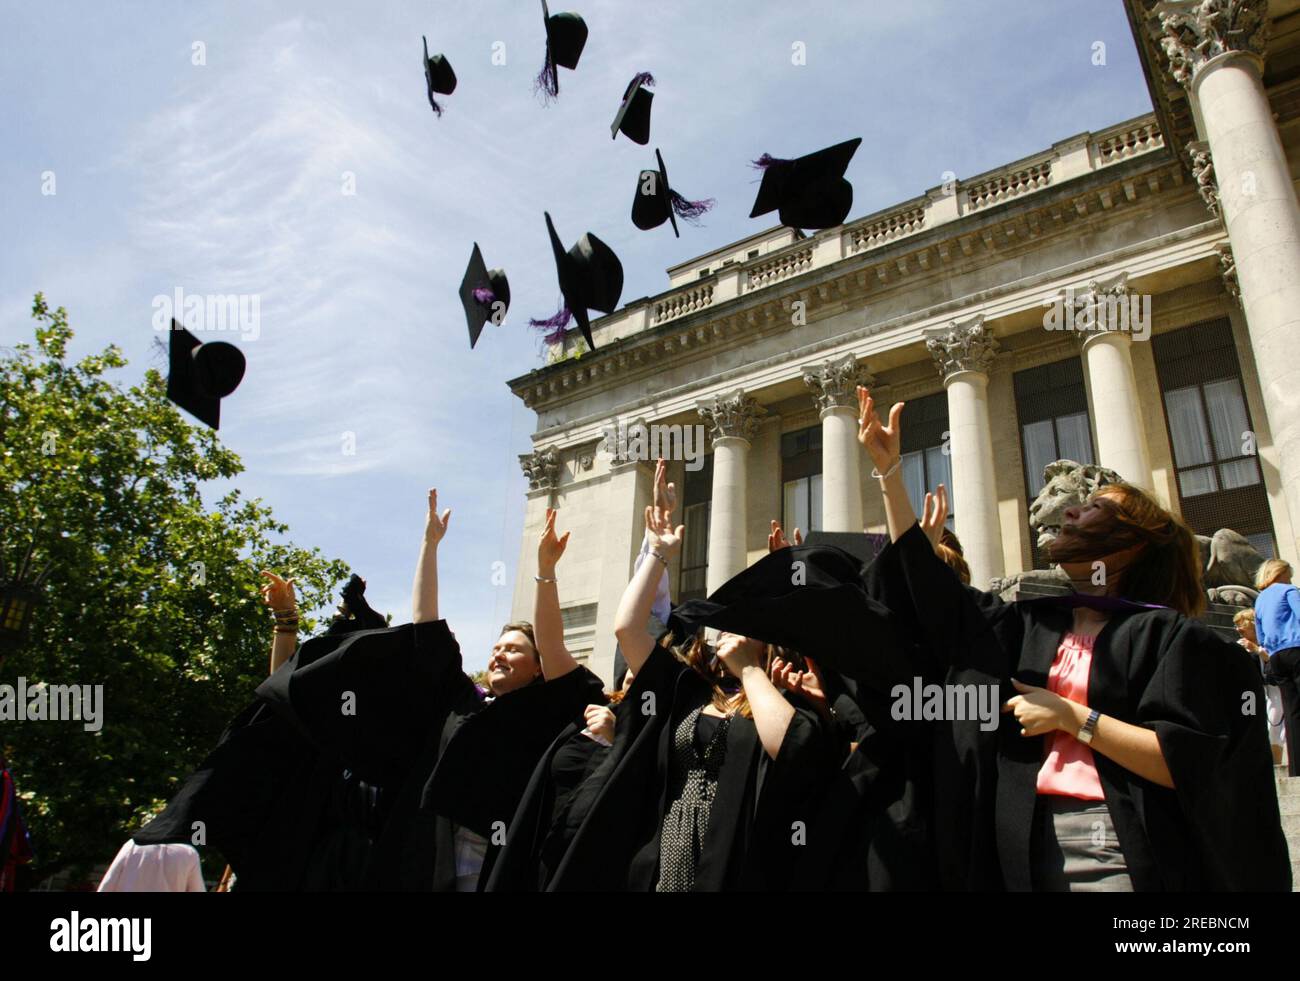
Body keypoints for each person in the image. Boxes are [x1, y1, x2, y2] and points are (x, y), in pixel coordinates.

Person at [855, 384, 1290, 891]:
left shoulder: (1168, 638)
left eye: (1094, 509)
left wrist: (1072, 716)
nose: (1069, 512)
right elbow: (934, 594)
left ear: (1131, 544)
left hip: (1114, 851)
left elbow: (1187, 763)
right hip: (1021, 847)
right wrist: (889, 473)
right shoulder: (1031, 624)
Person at [538, 503, 837, 891]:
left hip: (734, 865)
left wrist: (750, 670)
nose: (731, 626)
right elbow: (628, 629)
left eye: (747, 621)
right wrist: (658, 555)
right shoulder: (693, 690)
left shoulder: (785, 695)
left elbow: (795, 745)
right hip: (660, 867)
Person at [1255, 559, 1300, 775]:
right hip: (1296, 649)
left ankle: (1296, 768)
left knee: (1292, 712)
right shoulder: (1289, 590)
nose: (1290, 579)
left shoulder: (1260, 600)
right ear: (1280, 573)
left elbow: (1261, 634)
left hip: (1276, 657)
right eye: (1288, 575)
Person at [1234, 607, 1286, 766]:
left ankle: (1276, 765)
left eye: (1242, 625)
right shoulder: (1240, 645)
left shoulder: (1269, 641)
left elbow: (1276, 663)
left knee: (1275, 727)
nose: (1238, 629)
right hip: (1250, 693)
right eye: (1236, 625)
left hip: (1273, 689)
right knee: (1248, 722)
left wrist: (1256, 650)